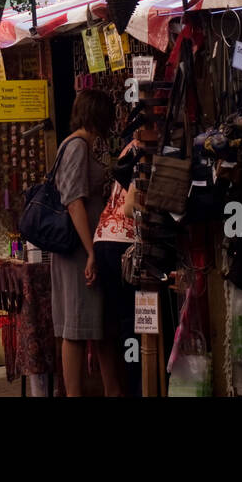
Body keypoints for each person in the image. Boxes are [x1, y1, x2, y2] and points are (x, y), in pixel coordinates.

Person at [51, 88, 118, 397]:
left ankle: (113, 390)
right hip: (79, 250)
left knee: (98, 323)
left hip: (87, 247)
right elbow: (74, 201)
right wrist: (91, 252)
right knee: (76, 328)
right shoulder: (77, 146)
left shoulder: (81, 145)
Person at [92, 138, 144, 396]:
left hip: (104, 240)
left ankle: (128, 385)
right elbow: (131, 207)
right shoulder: (143, 151)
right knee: (132, 323)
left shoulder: (129, 147)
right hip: (123, 244)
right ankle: (136, 386)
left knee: (124, 322)